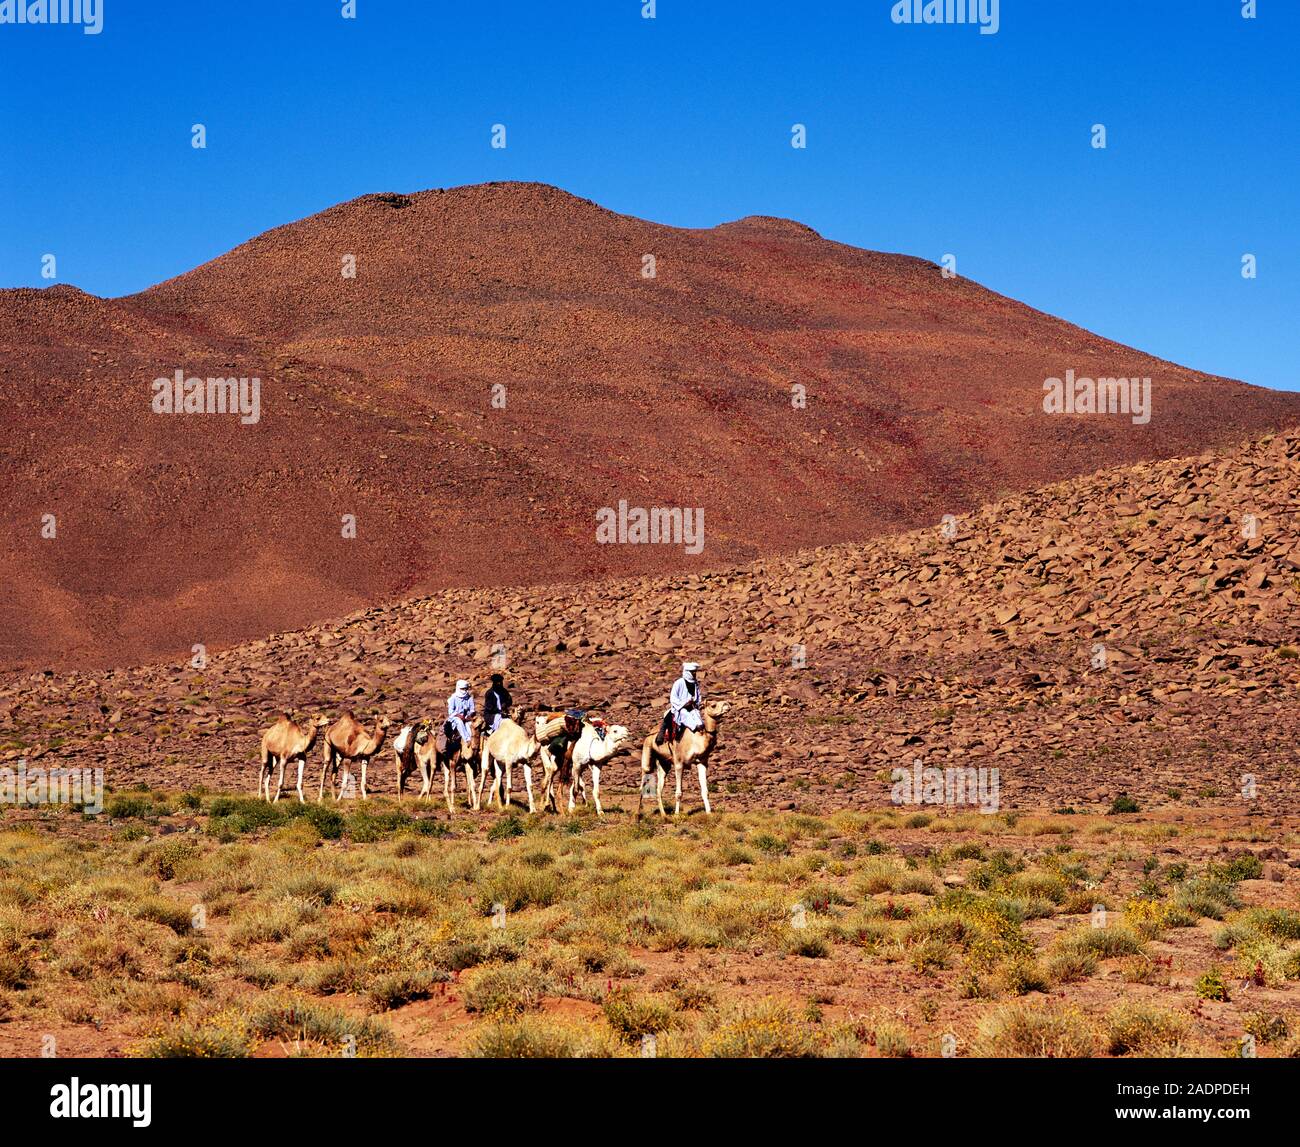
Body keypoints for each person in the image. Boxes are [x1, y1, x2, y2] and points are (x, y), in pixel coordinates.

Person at [669, 662, 704, 735]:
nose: (694, 673)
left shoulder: (695, 683)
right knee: (684, 713)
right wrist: (684, 704)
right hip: (680, 708)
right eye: (692, 672)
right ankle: (694, 727)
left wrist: (696, 703)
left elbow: (698, 696)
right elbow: (673, 698)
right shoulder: (679, 683)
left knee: (696, 714)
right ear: (687, 672)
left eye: (695, 672)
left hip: (692, 707)